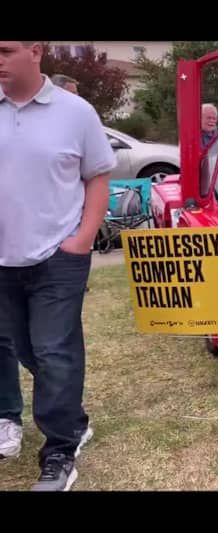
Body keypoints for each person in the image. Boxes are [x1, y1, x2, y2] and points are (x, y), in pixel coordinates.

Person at [0, 41, 115, 491]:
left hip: (57, 257)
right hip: (3, 261)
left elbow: (98, 178)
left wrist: (82, 240)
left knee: (53, 350)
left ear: (36, 50)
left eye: (6, 49)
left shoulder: (76, 112)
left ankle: (60, 451)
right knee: (24, 348)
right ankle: (75, 419)